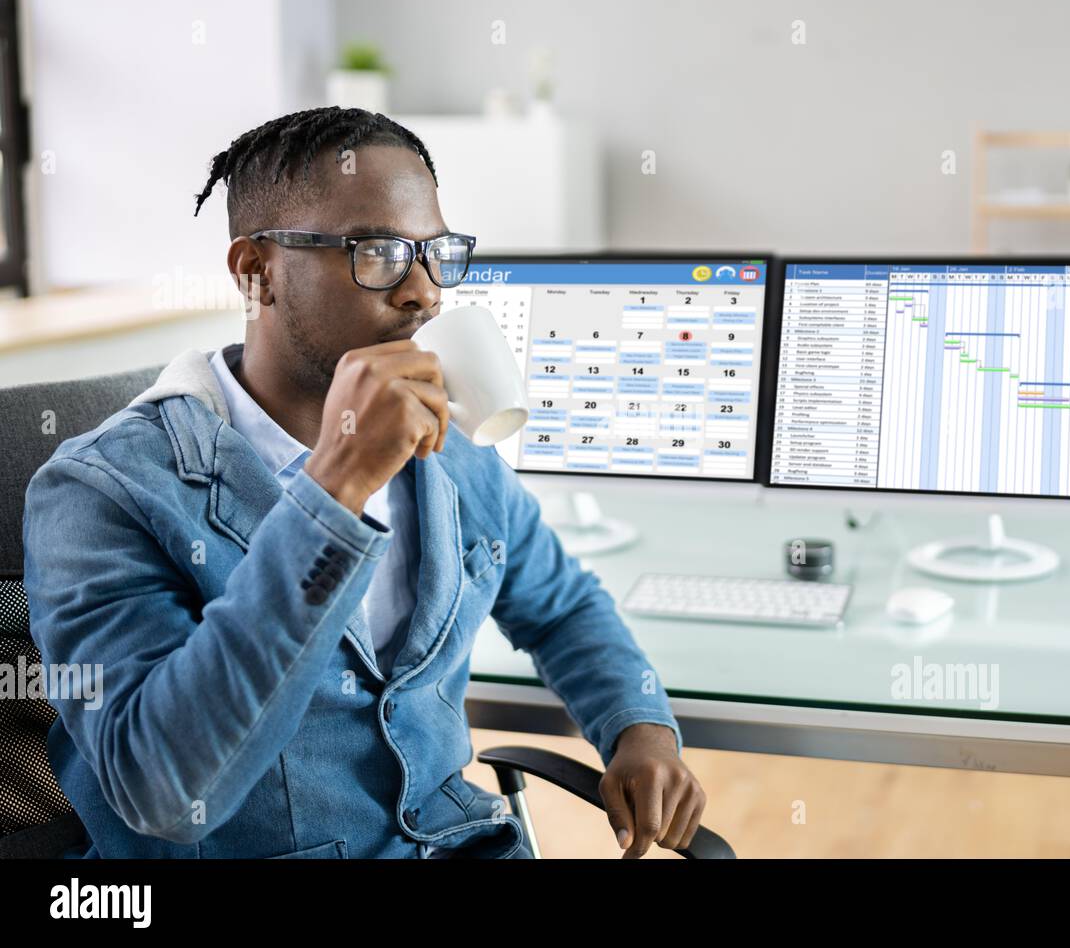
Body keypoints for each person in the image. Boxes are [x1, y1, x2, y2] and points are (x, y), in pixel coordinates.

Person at [23, 106, 705, 859]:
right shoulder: (102, 493)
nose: (423, 291)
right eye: (377, 251)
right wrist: (335, 489)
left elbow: (562, 604)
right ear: (257, 273)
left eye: (436, 252)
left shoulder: (449, 447)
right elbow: (160, 789)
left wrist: (639, 730)